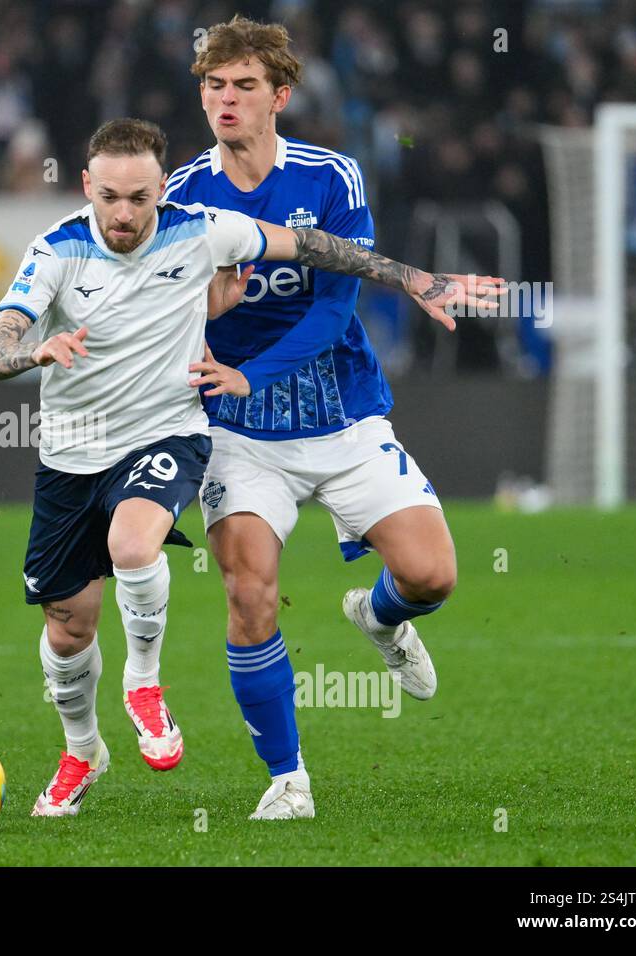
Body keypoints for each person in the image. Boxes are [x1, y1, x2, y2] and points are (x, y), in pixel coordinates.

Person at [0, 117, 499, 817]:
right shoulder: (56, 250)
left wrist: (409, 277)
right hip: (75, 453)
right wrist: (33, 352)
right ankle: (86, 750)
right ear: (86, 189)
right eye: (110, 198)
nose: (124, 213)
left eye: (138, 197)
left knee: (425, 573)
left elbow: (316, 248)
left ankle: (148, 685)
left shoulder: (203, 224)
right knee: (69, 629)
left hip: (179, 433)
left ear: (160, 189)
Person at [164, 16, 471, 819]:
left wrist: (248, 370)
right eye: (213, 86)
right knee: (248, 593)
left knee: (432, 575)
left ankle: (378, 615)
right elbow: (161, 314)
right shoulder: (181, 194)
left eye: (244, 87)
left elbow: (335, 311)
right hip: (236, 432)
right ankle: (288, 779)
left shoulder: (333, 176)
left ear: (281, 96)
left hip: (341, 414)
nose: (225, 100)